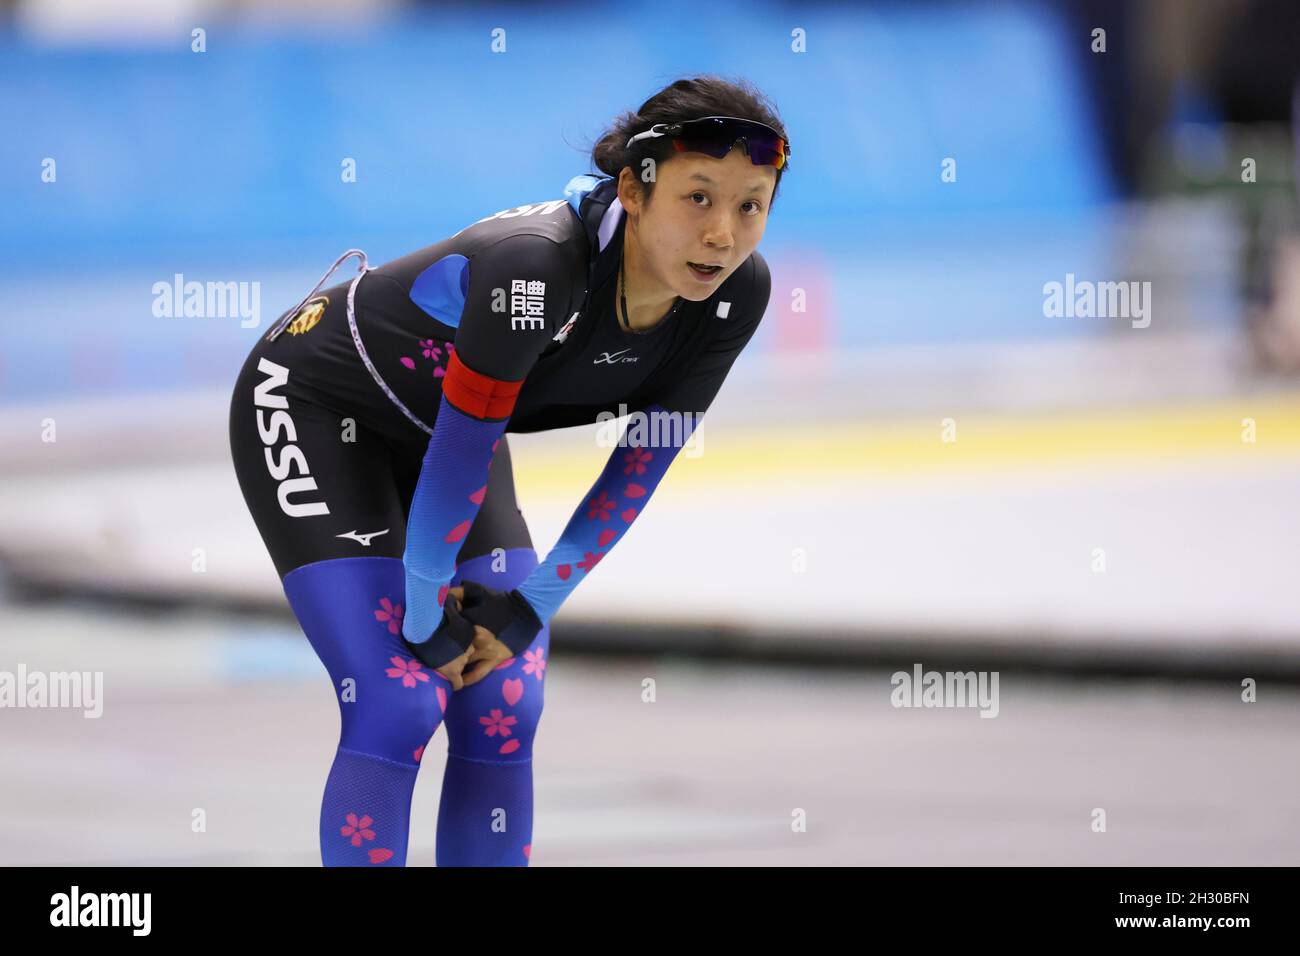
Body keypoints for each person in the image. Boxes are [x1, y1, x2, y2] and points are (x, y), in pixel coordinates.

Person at [227, 74, 789, 866]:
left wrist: (524, 610)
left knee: (503, 698)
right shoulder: (536, 271)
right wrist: (426, 621)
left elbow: (641, 465)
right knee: (398, 699)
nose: (724, 236)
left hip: (443, 430)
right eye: (699, 198)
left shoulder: (736, 297)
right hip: (313, 403)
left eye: (750, 205)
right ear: (632, 190)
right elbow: (461, 452)